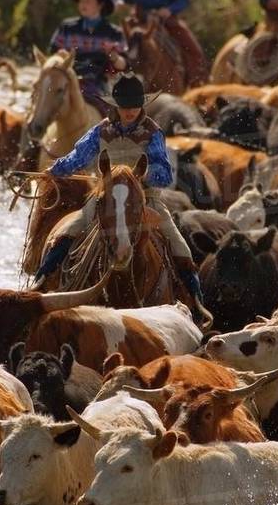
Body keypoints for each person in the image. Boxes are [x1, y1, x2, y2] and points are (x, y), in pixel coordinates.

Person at [33, 74, 211, 326]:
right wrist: (56, 169)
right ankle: (40, 285)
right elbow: (78, 157)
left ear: (142, 105)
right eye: (125, 106)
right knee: (66, 232)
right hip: (105, 198)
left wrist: (142, 175)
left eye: (134, 106)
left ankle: (197, 306)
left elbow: (164, 174)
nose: (130, 111)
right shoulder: (100, 130)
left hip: (146, 199)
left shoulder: (153, 133)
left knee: (179, 245)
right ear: (116, 105)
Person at [49, 0, 128, 116]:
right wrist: (60, 55)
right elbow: (53, 53)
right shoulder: (67, 27)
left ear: (100, 4)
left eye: (87, 1)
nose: (82, 5)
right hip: (67, 80)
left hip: (98, 82)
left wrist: (113, 56)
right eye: (81, 1)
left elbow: (124, 65)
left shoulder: (114, 32)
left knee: (112, 114)